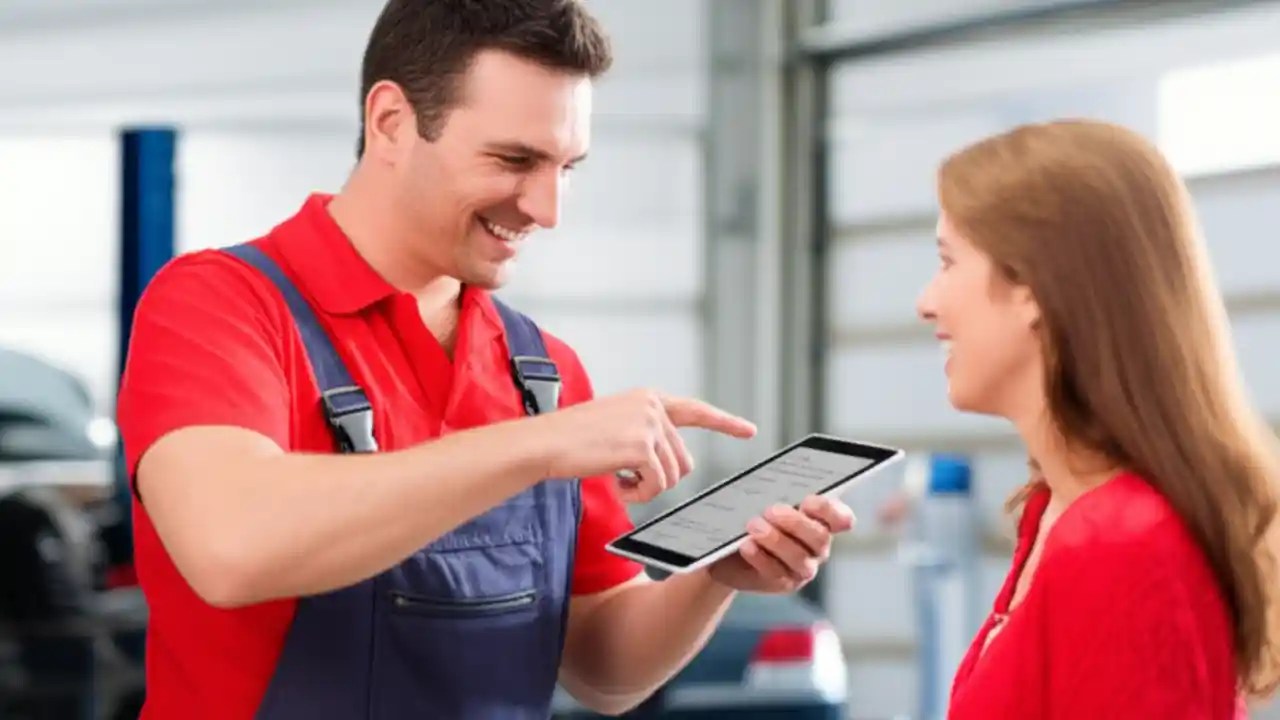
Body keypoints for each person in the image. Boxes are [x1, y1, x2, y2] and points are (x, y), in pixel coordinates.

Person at [114, 1, 856, 718]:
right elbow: (232, 545)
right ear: (391, 122)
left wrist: (713, 575)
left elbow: (604, 671)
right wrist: (539, 446)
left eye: (568, 167)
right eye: (515, 159)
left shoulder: (541, 372)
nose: (548, 208)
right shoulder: (221, 306)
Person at [915, 118, 1280, 718]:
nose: (926, 300)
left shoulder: (1119, 541)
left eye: (948, 262)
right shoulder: (1052, 513)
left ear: (1031, 283)